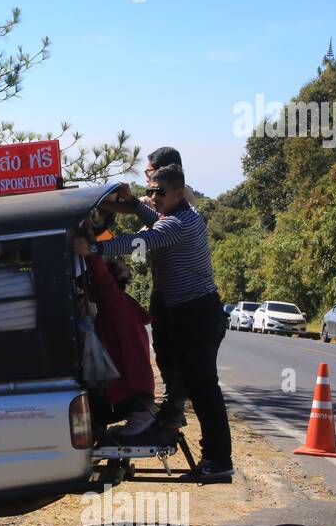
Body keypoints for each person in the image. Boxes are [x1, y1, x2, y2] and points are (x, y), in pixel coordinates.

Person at [75, 165, 233, 482]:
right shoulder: (173, 216)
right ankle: (177, 431)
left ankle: (218, 460)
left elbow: (140, 241)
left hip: (197, 314)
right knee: (185, 378)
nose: (154, 197)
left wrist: (93, 248)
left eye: (160, 192)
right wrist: (133, 202)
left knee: (203, 388)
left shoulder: (179, 224)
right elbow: (151, 220)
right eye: (151, 191)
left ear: (179, 191)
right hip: (189, 312)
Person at [140, 146, 199, 430]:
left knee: (177, 354)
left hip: (181, 298)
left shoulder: (181, 205)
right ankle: (173, 405)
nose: (152, 193)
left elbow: (156, 231)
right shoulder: (170, 197)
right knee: (165, 349)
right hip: (166, 292)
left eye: (149, 175)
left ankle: (175, 407)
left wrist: (94, 247)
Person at [85, 253, 157, 441]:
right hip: (137, 389)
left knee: (86, 403)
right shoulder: (122, 306)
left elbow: (102, 279)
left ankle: (139, 415)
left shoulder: (115, 304)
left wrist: (90, 252)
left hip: (132, 391)